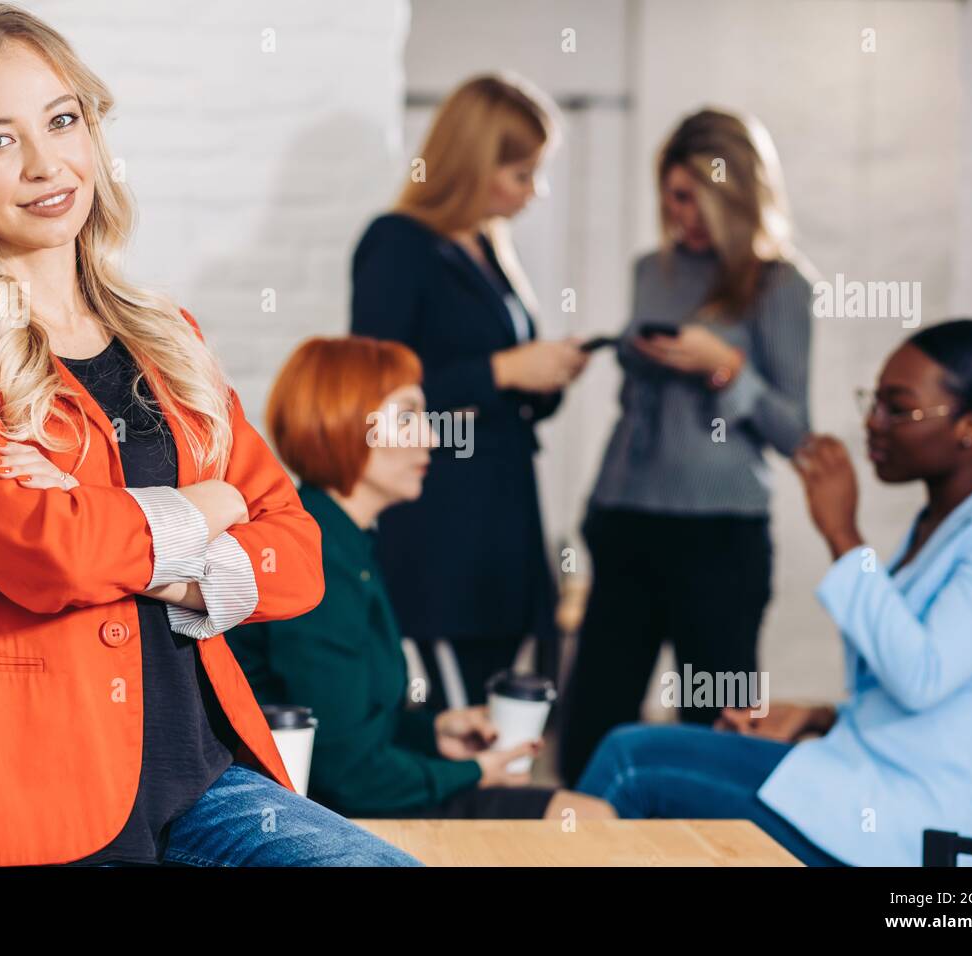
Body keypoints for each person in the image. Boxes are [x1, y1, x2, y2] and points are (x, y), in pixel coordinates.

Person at [0, 3, 419, 867]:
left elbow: (296, 557)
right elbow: (41, 552)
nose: (46, 164)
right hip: (33, 797)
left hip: (206, 779)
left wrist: (119, 531)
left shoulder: (169, 336)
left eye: (63, 120)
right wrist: (207, 507)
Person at [574, 319, 972, 867]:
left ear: (971, 426)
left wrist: (841, 534)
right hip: (860, 783)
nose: (871, 425)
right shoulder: (938, 522)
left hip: (924, 828)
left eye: (896, 409)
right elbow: (915, 692)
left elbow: (922, 677)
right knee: (625, 749)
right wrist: (817, 717)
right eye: (872, 402)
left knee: (633, 773)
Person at [228, 337, 615, 822]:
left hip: (354, 795)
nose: (430, 438)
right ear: (346, 420)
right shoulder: (319, 554)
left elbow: (349, 727)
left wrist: (434, 732)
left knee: (596, 806)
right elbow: (348, 774)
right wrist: (476, 772)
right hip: (331, 813)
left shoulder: (345, 540)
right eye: (407, 416)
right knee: (588, 818)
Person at [557, 108, 815, 785]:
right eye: (673, 196)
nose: (684, 215)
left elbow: (795, 430)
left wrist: (724, 366)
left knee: (717, 726)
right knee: (593, 720)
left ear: (737, 196)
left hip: (720, 537)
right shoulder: (653, 270)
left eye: (699, 199)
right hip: (626, 517)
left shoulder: (781, 286)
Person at [350, 73, 589, 710]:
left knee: (500, 713)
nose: (533, 192)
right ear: (474, 164)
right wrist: (505, 371)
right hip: (443, 528)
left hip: (502, 519)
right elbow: (377, 387)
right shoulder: (397, 244)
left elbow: (500, 394)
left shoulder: (488, 247)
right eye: (520, 174)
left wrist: (545, 377)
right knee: (456, 716)